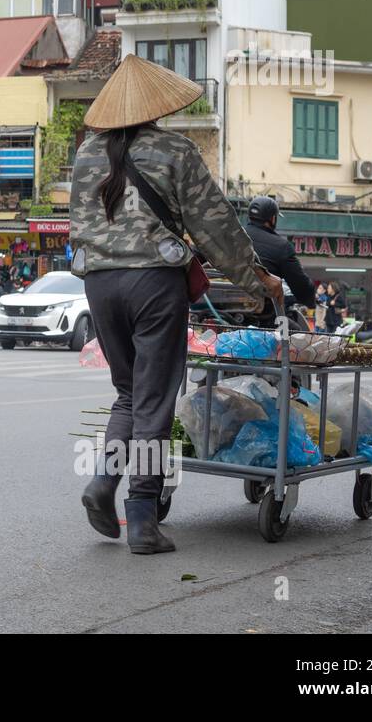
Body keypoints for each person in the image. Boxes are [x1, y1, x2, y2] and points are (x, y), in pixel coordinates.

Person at [70, 54, 282, 555]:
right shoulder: (174, 150)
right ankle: (141, 519)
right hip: (152, 286)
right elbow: (217, 227)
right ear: (156, 107)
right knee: (154, 403)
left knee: (128, 393)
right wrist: (258, 284)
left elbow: (82, 225)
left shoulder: (85, 156)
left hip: (98, 285)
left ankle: (103, 483)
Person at [244, 196, 314, 315]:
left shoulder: (233, 236)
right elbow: (301, 286)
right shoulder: (281, 246)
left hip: (222, 309)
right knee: (296, 330)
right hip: (263, 317)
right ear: (272, 219)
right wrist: (310, 299)